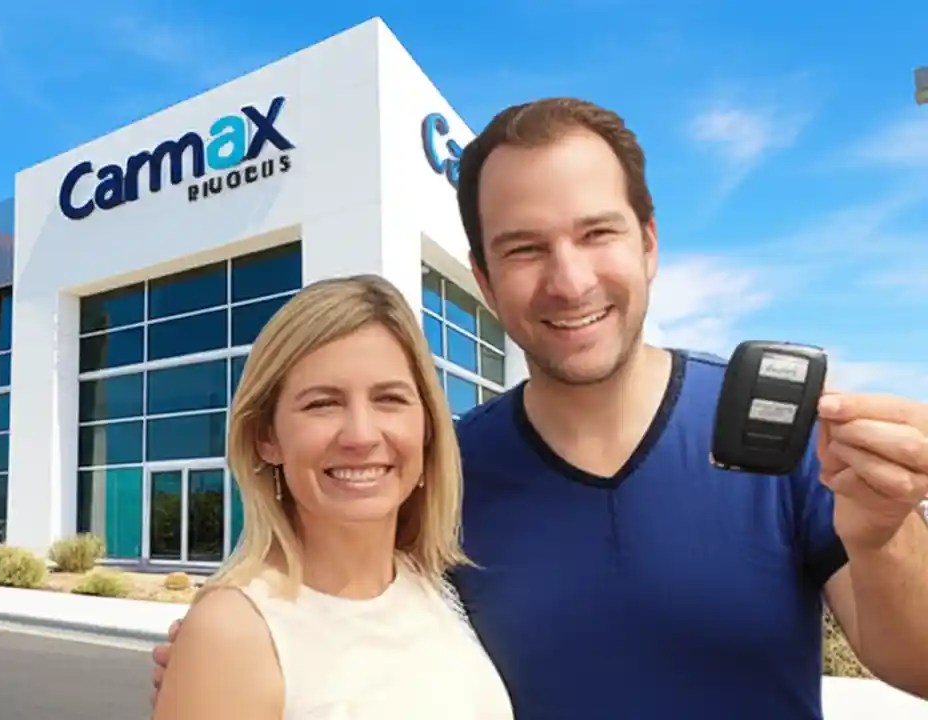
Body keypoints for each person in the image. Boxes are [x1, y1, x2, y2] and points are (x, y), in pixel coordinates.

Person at [152, 98, 928, 718]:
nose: (569, 280)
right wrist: (230, 659)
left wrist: (885, 535)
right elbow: (346, 626)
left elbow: (919, 666)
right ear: (485, 283)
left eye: (597, 234)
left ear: (649, 244)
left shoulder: (781, 439)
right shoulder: (447, 479)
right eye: (524, 249)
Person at [150, 275, 515, 720]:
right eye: (322, 403)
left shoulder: (439, 589)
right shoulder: (236, 632)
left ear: (427, 426)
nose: (361, 435)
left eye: (389, 399)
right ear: (268, 438)